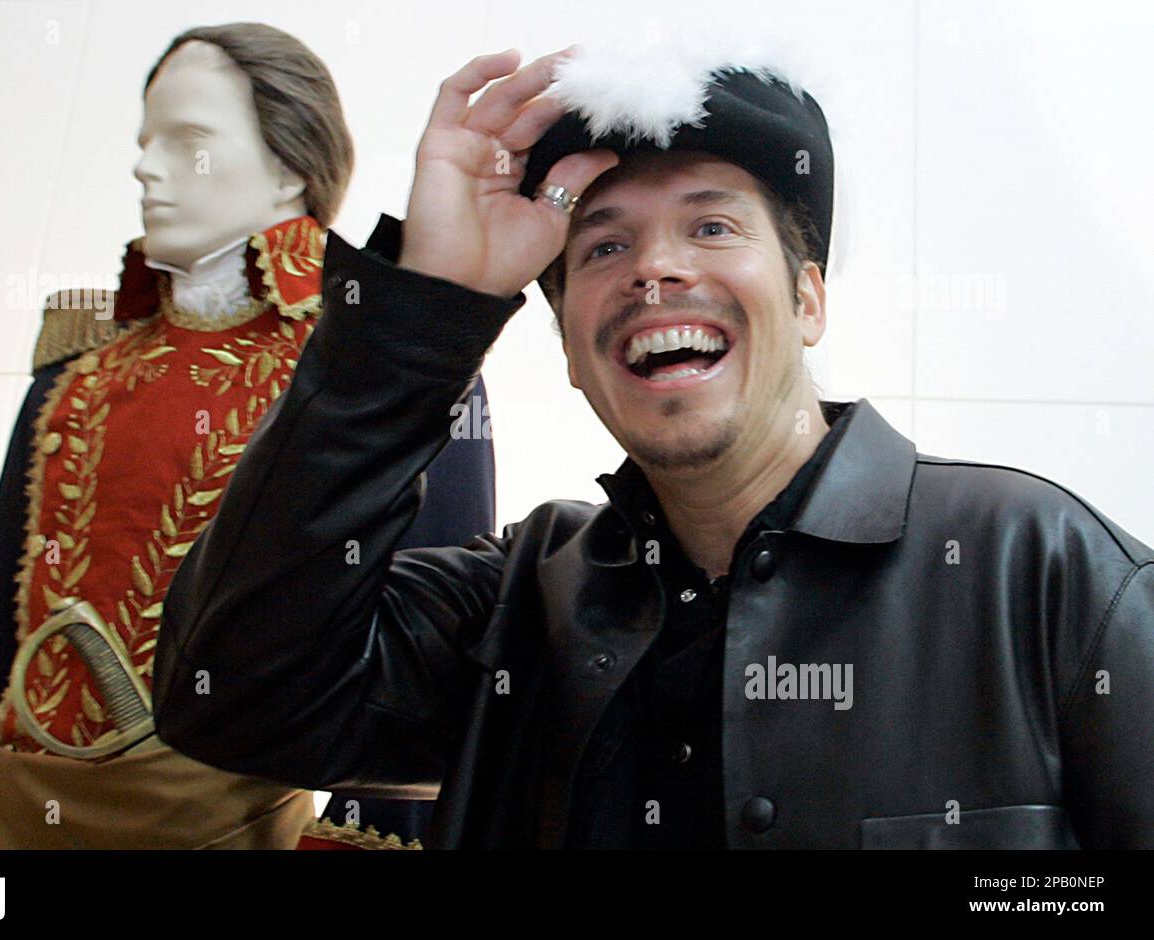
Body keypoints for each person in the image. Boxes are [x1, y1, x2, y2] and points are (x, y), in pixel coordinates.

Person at [153, 45, 1154, 849]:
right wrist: (425, 308)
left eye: (711, 226)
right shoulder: (517, 601)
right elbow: (236, 699)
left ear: (807, 299)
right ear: (573, 358)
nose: (655, 270)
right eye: (602, 245)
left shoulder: (1041, 565)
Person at [0, 23, 490, 850]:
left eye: (187, 140)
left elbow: (416, 666)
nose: (145, 166)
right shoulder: (77, 370)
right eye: (144, 141)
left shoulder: (373, 368)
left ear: (290, 165)